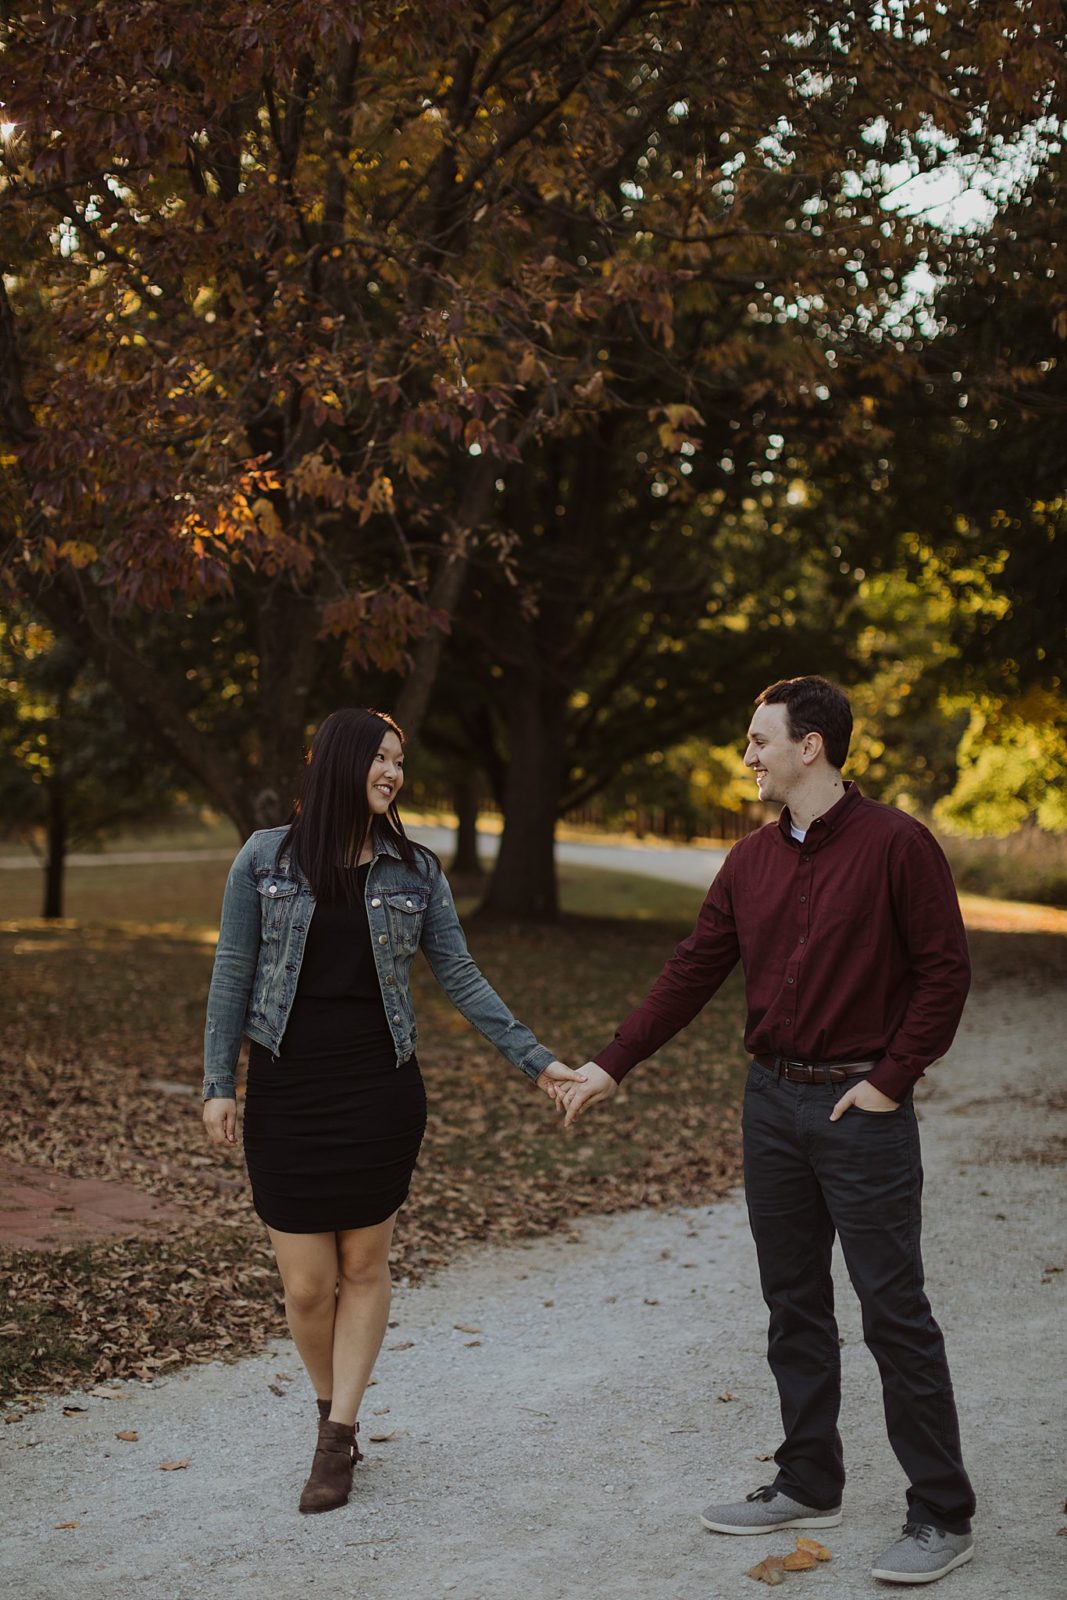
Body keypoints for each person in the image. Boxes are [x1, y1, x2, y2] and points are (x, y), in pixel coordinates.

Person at [558, 675, 976, 1586]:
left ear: (809, 746)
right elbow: (689, 971)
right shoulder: (748, 860)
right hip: (771, 1106)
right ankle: (806, 1478)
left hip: (858, 1111)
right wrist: (609, 1063)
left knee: (892, 1314)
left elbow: (944, 976)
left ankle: (941, 1512)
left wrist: (887, 1083)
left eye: (758, 740)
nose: (746, 756)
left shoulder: (899, 846)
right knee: (792, 1302)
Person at [202, 707, 582, 1515]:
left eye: (399, 761)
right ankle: (325, 1402)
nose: (393, 774)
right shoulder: (262, 859)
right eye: (380, 757)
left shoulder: (414, 871)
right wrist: (215, 1084)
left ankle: (337, 1436)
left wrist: (538, 1061)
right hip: (288, 1091)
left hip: (377, 1090)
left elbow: (464, 979)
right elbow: (232, 972)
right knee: (307, 1287)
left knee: (364, 1267)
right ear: (340, 763)